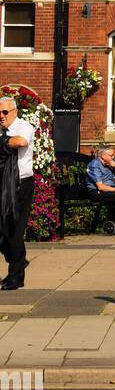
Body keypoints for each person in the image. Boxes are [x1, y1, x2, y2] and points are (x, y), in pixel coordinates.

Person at [0, 95, 34, 290]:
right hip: (1, 184)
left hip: (20, 186)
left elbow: (21, 142)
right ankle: (19, 261)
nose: (2, 116)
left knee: (14, 231)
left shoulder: (24, 126)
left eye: (5, 112)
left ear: (15, 112)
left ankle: (15, 276)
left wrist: (3, 142)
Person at [86, 145, 115, 224]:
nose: (113, 157)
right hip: (97, 192)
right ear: (103, 155)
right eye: (111, 155)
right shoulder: (95, 165)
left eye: (113, 155)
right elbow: (101, 187)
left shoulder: (108, 165)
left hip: (109, 190)